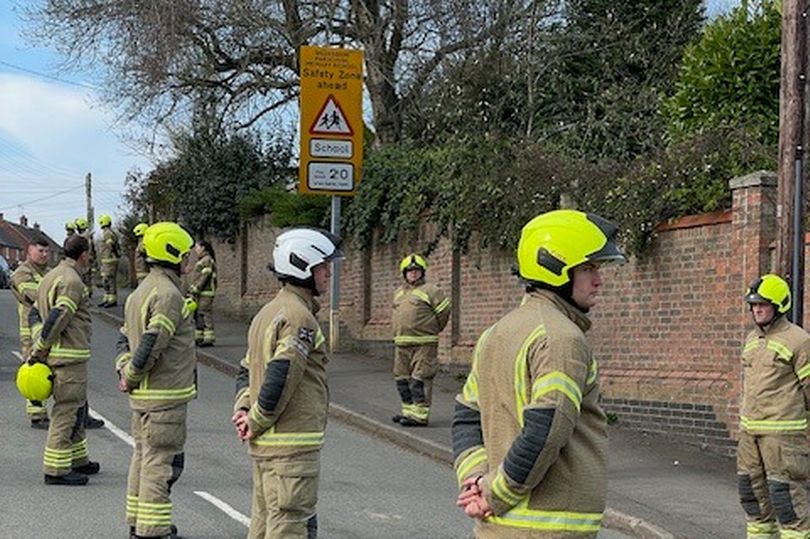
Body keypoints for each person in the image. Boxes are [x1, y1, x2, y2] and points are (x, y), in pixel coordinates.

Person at [452, 209, 625, 538]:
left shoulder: (495, 333)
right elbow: (545, 431)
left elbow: (466, 417)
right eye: (589, 268)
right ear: (555, 267)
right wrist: (494, 495)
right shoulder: (561, 338)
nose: (598, 279)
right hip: (549, 527)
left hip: (495, 528)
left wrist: (474, 478)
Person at [232, 227, 341, 539]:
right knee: (290, 527)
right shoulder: (299, 318)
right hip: (291, 447)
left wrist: (243, 409)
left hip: (267, 448)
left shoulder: (267, 312)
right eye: (323, 266)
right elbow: (283, 373)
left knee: (264, 526)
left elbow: (246, 370)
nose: (328, 274)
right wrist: (256, 418)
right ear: (302, 264)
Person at [115, 222, 197, 539]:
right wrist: (132, 374)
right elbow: (153, 341)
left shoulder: (142, 291)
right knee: (161, 463)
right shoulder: (168, 295)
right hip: (164, 396)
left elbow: (125, 339)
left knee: (143, 457)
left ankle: (139, 520)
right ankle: (153, 529)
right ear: (172, 253)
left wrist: (124, 371)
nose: (189, 261)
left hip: (145, 397)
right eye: (186, 255)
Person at [737, 274, 810, 538]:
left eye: (763, 304)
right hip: (750, 435)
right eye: (753, 304)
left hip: (784, 438)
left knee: (786, 501)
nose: (757, 309)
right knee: (752, 498)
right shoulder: (752, 340)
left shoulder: (799, 341)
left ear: (779, 306)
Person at [29, 234, 100, 486]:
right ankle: (56, 470)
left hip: (62, 356)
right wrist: (41, 349)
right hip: (67, 357)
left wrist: (40, 349)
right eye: (89, 254)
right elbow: (59, 316)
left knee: (77, 409)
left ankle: (79, 459)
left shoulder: (51, 276)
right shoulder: (72, 281)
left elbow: (36, 313)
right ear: (83, 255)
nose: (90, 258)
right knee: (66, 412)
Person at [390, 253, 450, 427]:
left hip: (424, 343)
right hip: (401, 344)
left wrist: (432, 329)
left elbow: (444, 313)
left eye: (416, 271)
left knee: (420, 379)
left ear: (422, 272)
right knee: (402, 379)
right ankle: (408, 412)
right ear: (404, 273)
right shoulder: (399, 293)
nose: (413, 274)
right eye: (409, 271)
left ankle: (420, 416)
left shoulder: (432, 291)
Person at [10, 236, 51, 428]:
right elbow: (34, 297)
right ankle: (37, 414)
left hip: (50, 328)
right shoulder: (22, 273)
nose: (44, 255)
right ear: (29, 250)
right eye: (40, 250)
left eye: (46, 251)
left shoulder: (49, 272)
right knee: (33, 369)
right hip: (30, 329)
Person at [187, 240, 217, 346]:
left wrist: (196, 288)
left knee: (204, 313)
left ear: (203, 248)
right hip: (201, 292)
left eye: (197, 247)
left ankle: (209, 338)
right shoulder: (203, 260)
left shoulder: (207, 260)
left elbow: (205, 276)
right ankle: (199, 337)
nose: (195, 250)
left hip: (206, 292)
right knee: (198, 314)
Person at [97, 213, 121, 307]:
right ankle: (107, 298)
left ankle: (112, 300)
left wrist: (113, 255)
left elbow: (111, 245)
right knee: (106, 280)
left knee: (109, 280)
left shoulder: (108, 233)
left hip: (110, 260)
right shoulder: (107, 232)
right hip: (106, 260)